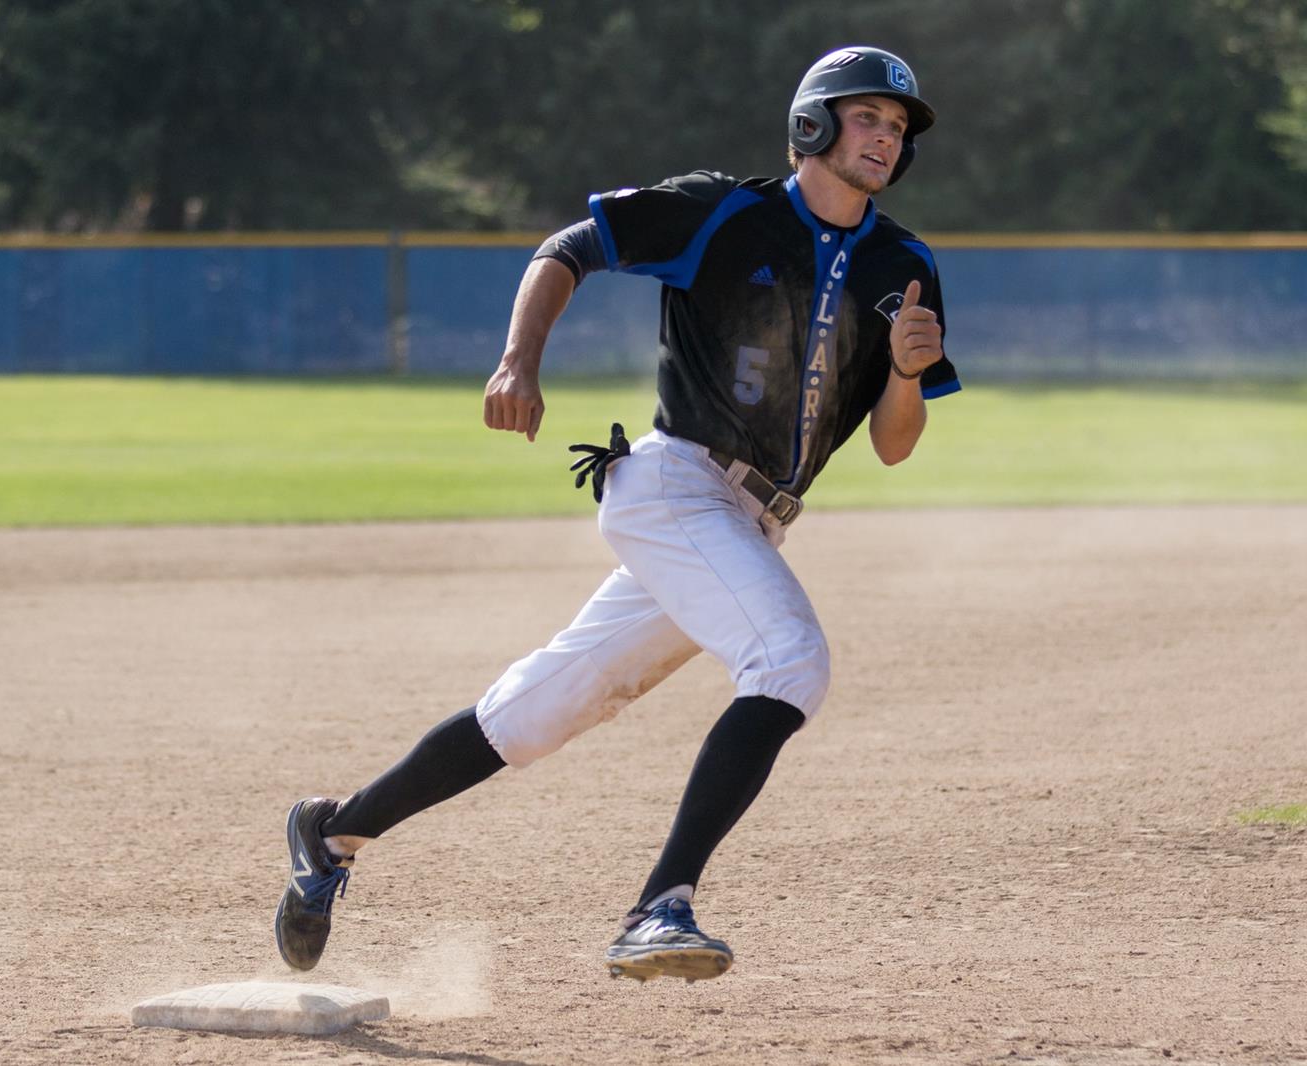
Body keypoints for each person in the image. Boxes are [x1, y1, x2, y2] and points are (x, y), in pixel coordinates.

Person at [273, 45, 960, 984]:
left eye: (897, 127)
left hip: (751, 521)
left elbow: (892, 443)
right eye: (867, 117)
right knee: (790, 659)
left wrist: (911, 375)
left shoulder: (903, 262)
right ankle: (659, 906)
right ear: (812, 125)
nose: (885, 138)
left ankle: (332, 833)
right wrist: (520, 359)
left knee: (533, 716)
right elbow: (569, 248)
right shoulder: (724, 210)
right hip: (678, 486)